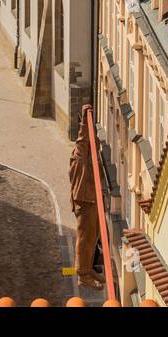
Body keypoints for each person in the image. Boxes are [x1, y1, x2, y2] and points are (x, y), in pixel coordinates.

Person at [69, 105, 105, 289]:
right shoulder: (80, 153)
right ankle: (83, 275)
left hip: (92, 197)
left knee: (93, 236)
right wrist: (85, 120)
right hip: (85, 200)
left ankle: (88, 268)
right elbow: (83, 139)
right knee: (85, 238)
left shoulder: (88, 155)